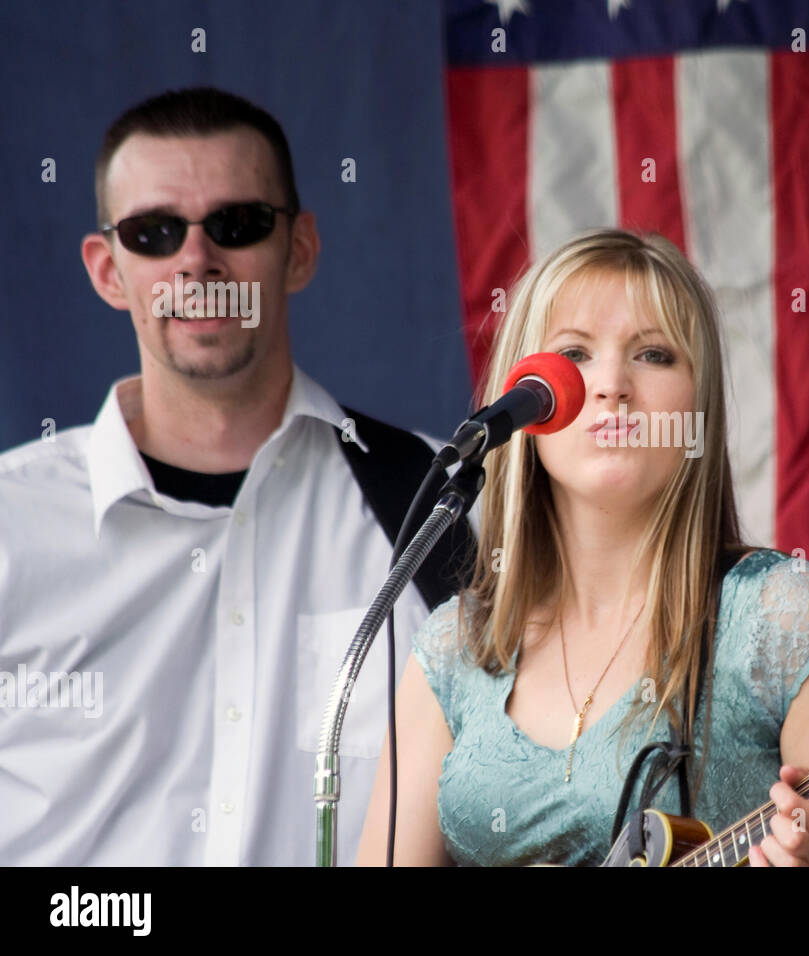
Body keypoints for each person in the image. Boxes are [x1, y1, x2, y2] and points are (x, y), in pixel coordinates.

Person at [0, 87, 473, 865]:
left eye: (237, 224)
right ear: (108, 270)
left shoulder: (446, 506)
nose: (197, 260)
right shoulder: (16, 525)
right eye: (153, 232)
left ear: (301, 250)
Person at [357, 229, 809, 866]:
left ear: (696, 407)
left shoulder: (790, 618)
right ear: (522, 404)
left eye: (654, 355)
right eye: (574, 353)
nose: (611, 386)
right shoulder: (454, 648)